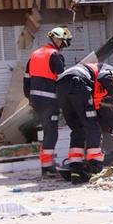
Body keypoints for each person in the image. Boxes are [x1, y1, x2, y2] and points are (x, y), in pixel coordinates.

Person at [56, 62, 113, 184]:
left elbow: (97, 115)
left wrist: (112, 131)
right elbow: (104, 77)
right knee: (93, 129)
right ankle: (94, 170)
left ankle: (76, 172)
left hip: (61, 87)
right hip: (77, 83)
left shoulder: (94, 90)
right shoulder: (109, 70)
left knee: (78, 129)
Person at [24, 27, 71, 177]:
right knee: (51, 132)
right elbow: (63, 81)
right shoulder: (55, 55)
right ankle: (47, 167)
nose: (63, 46)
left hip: (36, 101)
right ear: (57, 40)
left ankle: (47, 163)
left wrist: (30, 98)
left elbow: (26, 79)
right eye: (63, 43)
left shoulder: (34, 55)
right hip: (50, 100)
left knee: (47, 130)